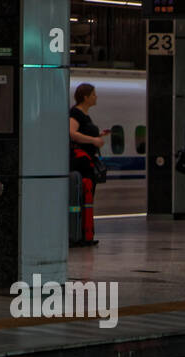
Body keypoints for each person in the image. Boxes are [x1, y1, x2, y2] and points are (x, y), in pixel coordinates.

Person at [68, 83, 104, 247]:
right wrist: (94, 140)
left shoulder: (85, 115)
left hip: (87, 160)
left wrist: (99, 136)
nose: (96, 97)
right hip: (80, 162)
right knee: (82, 196)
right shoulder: (75, 113)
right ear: (85, 97)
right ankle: (78, 233)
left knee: (88, 196)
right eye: (94, 94)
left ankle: (85, 232)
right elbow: (72, 133)